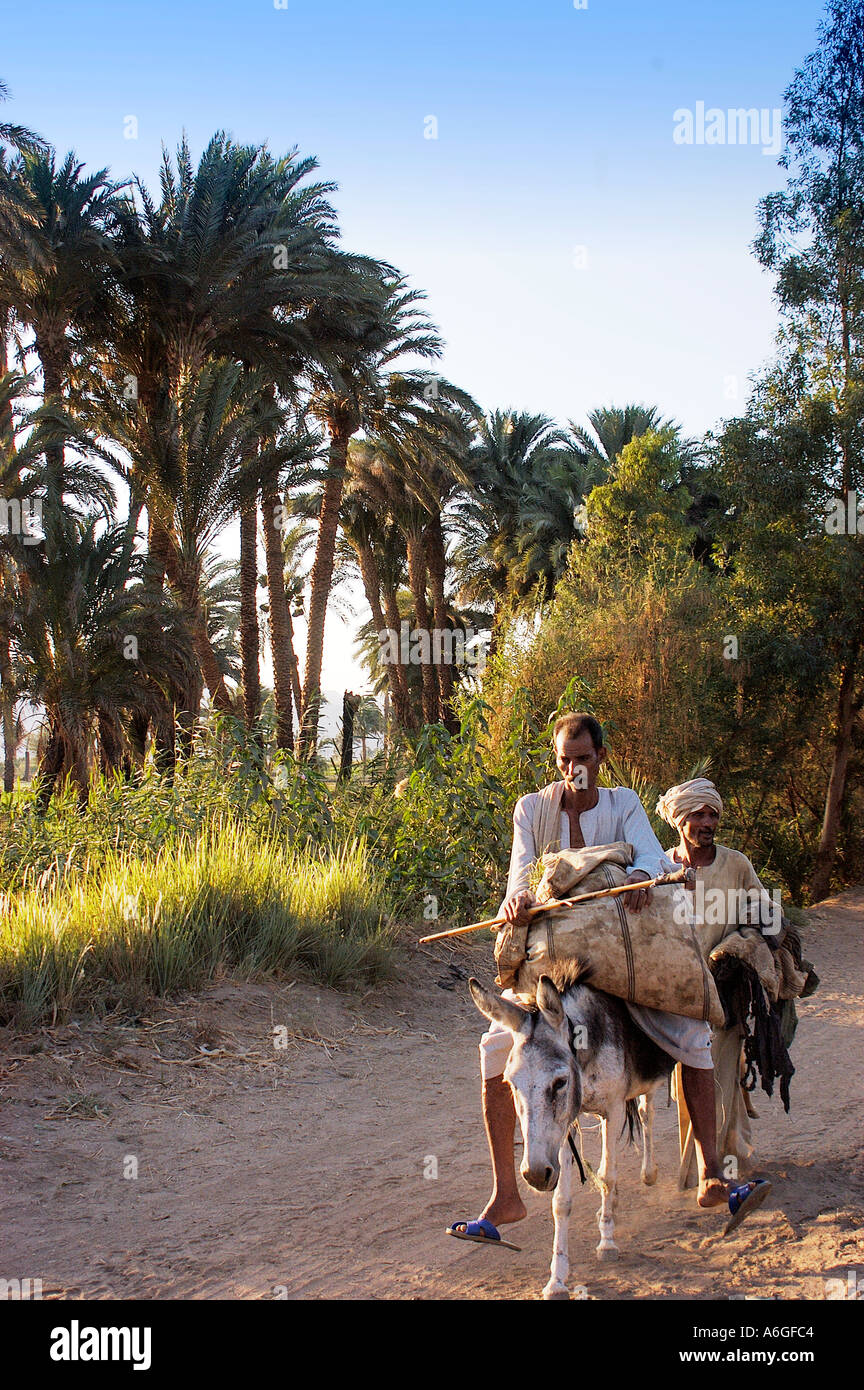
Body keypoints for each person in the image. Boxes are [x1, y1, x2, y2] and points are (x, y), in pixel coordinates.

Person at [448, 715, 759, 1249]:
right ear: (557, 760)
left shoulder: (623, 804)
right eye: (565, 760)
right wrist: (518, 901)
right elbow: (518, 876)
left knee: (692, 1035)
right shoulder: (532, 809)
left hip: (620, 955)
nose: (575, 769)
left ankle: (712, 1174)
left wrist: (640, 877)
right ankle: (507, 1194)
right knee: (495, 1047)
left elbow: (651, 855)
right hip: (551, 965)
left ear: (601, 758)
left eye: (584, 759)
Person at [655, 777, 780, 1188]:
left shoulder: (736, 864)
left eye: (712, 814)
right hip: (679, 996)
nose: (707, 822)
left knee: (721, 1080)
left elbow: (765, 915)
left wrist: (743, 946)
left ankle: (719, 1176)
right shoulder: (661, 868)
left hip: (724, 993)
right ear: (679, 820)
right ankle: (700, 1172)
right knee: (689, 1088)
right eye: (698, 815)